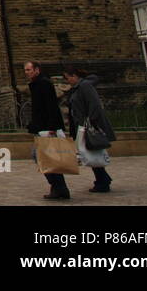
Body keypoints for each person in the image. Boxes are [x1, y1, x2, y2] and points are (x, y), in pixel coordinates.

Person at [63, 65, 115, 193]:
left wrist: (90, 121)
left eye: (68, 78)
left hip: (88, 126)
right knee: (90, 153)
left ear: (75, 76)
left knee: (91, 152)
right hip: (82, 126)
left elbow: (95, 104)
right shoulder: (77, 88)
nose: (67, 81)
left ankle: (103, 181)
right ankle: (103, 179)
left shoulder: (85, 86)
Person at [24, 60, 70, 200]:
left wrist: (51, 128)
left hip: (47, 128)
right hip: (42, 127)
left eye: (28, 69)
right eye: (25, 70)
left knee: (43, 157)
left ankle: (59, 187)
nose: (26, 72)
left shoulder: (42, 84)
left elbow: (50, 107)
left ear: (37, 70)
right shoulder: (37, 84)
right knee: (46, 157)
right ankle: (58, 187)